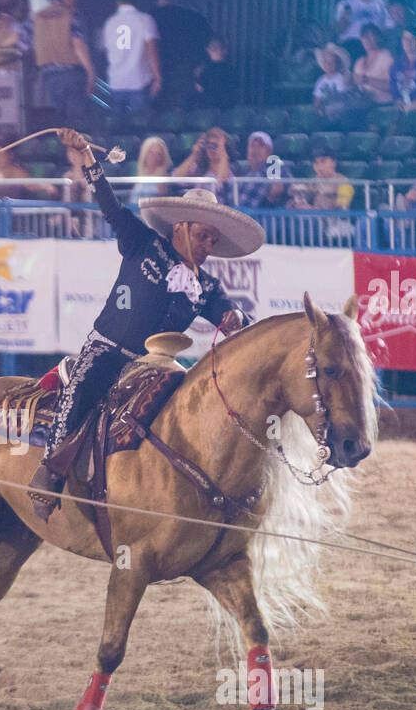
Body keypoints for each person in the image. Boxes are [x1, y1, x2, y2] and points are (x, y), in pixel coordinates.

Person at [26, 128, 263, 521]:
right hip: (108, 349)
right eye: (203, 236)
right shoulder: (143, 242)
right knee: (83, 386)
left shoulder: (206, 287)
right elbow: (110, 207)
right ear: (180, 229)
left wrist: (240, 319)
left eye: (212, 240)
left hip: (158, 366)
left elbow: (235, 319)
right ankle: (50, 471)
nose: (207, 246)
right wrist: (88, 157)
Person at [31, 0, 95, 129]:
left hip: (48, 76)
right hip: (71, 74)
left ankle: (62, 149)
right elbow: (78, 45)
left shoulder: (38, 16)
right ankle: (75, 149)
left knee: (58, 122)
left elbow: (24, 41)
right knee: (76, 123)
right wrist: (90, 73)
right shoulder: (71, 14)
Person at [100, 0, 162, 120]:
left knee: (118, 129)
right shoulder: (145, 19)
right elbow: (152, 51)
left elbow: (105, 50)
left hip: (116, 81)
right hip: (139, 81)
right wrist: (158, 77)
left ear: (117, 1)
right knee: (140, 125)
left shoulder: (110, 22)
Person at [151, 0, 212, 110]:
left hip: (155, 69)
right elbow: (206, 44)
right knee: (180, 112)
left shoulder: (148, 18)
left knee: (151, 115)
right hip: (185, 70)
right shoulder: (195, 17)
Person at [235, 131, 292, 209]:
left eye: (261, 146)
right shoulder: (240, 172)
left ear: (269, 151)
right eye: (252, 146)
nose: (255, 150)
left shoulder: (275, 168)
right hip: (235, 217)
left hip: (260, 218)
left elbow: (287, 187)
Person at [289, 143, 356, 209]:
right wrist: (297, 203)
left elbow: (341, 210)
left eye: (323, 161)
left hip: (333, 220)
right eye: (316, 162)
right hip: (311, 219)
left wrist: (312, 210)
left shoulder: (344, 183)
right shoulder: (312, 182)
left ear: (333, 162)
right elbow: (299, 199)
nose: (319, 167)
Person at [172, 126, 234, 192]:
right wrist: (194, 154)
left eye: (215, 145)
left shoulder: (232, 168)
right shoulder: (199, 167)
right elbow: (176, 178)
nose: (212, 149)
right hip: (199, 201)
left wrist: (223, 155)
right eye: (209, 145)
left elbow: (220, 186)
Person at [353, 25, 396, 102]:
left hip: (383, 106)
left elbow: (393, 86)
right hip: (362, 105)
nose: (367, 40)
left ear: (378, 38)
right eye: (364, 37)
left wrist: (367, 80)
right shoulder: (359, 62)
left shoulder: (386, 57)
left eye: (370, 36)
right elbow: (355, 86)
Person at [128, 135, 173, 205]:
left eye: (158, 154)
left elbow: (165, 202)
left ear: (163, 157)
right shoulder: (141, 175)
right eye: (151, 153)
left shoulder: (165, 178)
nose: (154, 157)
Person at [195, 38, 236, 109]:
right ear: (225, 50)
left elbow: (200, 89)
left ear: (209, 50)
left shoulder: (206, 69)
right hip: (228, 108)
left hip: (208, 108)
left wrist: (197, 76)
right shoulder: (231, 68)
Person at [313, 42, 354, 111]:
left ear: (338, 63)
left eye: (332, 62)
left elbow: (348, 96)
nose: (329, 65)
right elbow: (317, 99)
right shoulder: (321, 80)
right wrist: (317, 109)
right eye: (326, 62)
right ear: (323, 63)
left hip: (341, 110)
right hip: (326, 111)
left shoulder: (343, 77)